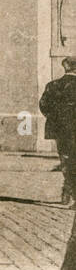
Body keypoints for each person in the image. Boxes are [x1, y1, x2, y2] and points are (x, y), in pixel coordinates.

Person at [40, 56, 76, 207]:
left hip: (61, 131)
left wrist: (55, 119)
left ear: (65, 67)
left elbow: (43, 105)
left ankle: (69, 190)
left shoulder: (53, 85)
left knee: (66, 160)